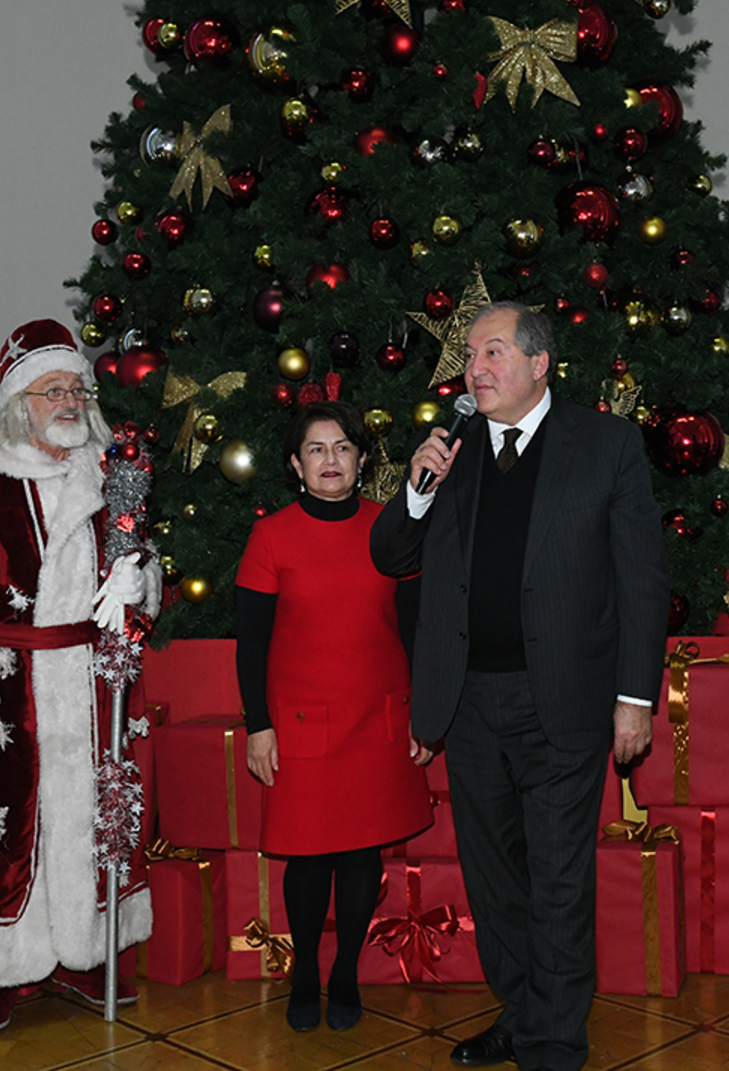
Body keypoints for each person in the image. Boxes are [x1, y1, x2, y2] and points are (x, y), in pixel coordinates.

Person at [370, 300, 667, 1071]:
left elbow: (641, 582)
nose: (475, 369)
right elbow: (390, 553)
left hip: (562, 700)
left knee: (559, 878)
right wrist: (419, 483)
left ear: (540, 364)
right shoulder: (454, 448)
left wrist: (636, 698)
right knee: (495, 879)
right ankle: (524, 1009)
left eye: (492, 352)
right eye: (470, 355)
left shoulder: (605, 444)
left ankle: (553, 1044)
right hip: (468, 703)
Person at [0, 319, 161, 1033]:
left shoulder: (112, 471)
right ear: (18, 400)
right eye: (50, 389)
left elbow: (140, 564)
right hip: (5, 679)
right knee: (2, 826)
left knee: (95, 817)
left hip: (93, 679)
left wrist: (139, 579)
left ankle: (85, 954)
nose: (67, 400)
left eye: (75, 387)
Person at [236, 401, 432, 1033]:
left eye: (343, 448)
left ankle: (345, 972)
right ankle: (305, 976)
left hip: (378, 719)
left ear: (361, 459)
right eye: (316, 449)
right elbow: (253, 644)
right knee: (308, 856)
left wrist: (425, 716)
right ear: (296, 464)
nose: (330, 460)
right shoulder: (271, 537)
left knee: (360, 856)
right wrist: (257, 724)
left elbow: (417, 630)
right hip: (298, 725)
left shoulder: (391, 528)